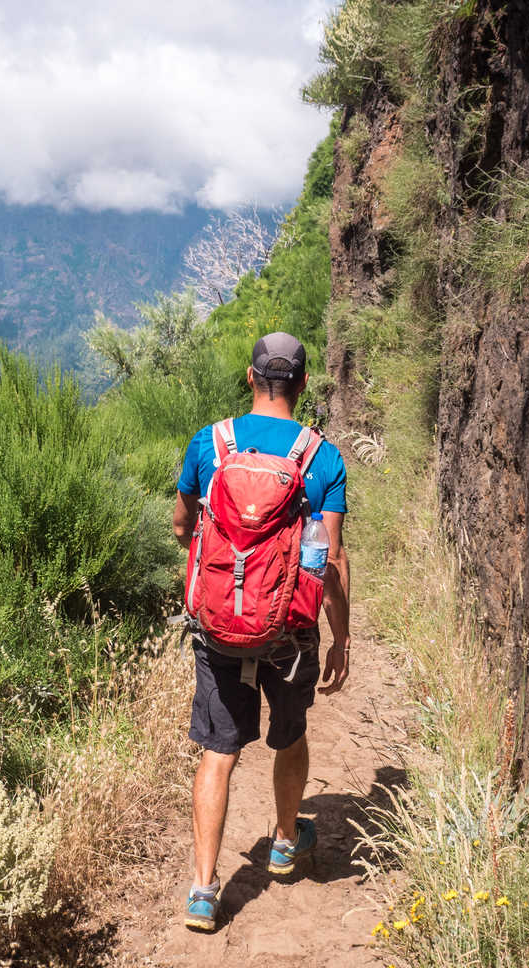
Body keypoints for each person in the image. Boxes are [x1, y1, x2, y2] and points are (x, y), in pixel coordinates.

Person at [172, 331, 350, 931]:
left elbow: (181, 526)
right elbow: (329, 560)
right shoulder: (321, 458)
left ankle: (202, 890)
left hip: (218, 628)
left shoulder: (210, 442)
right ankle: (282, 841)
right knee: (289, 736)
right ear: (302, 384)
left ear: (250, 378)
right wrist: (341, 637)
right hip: (290, 634)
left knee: (218, 753)